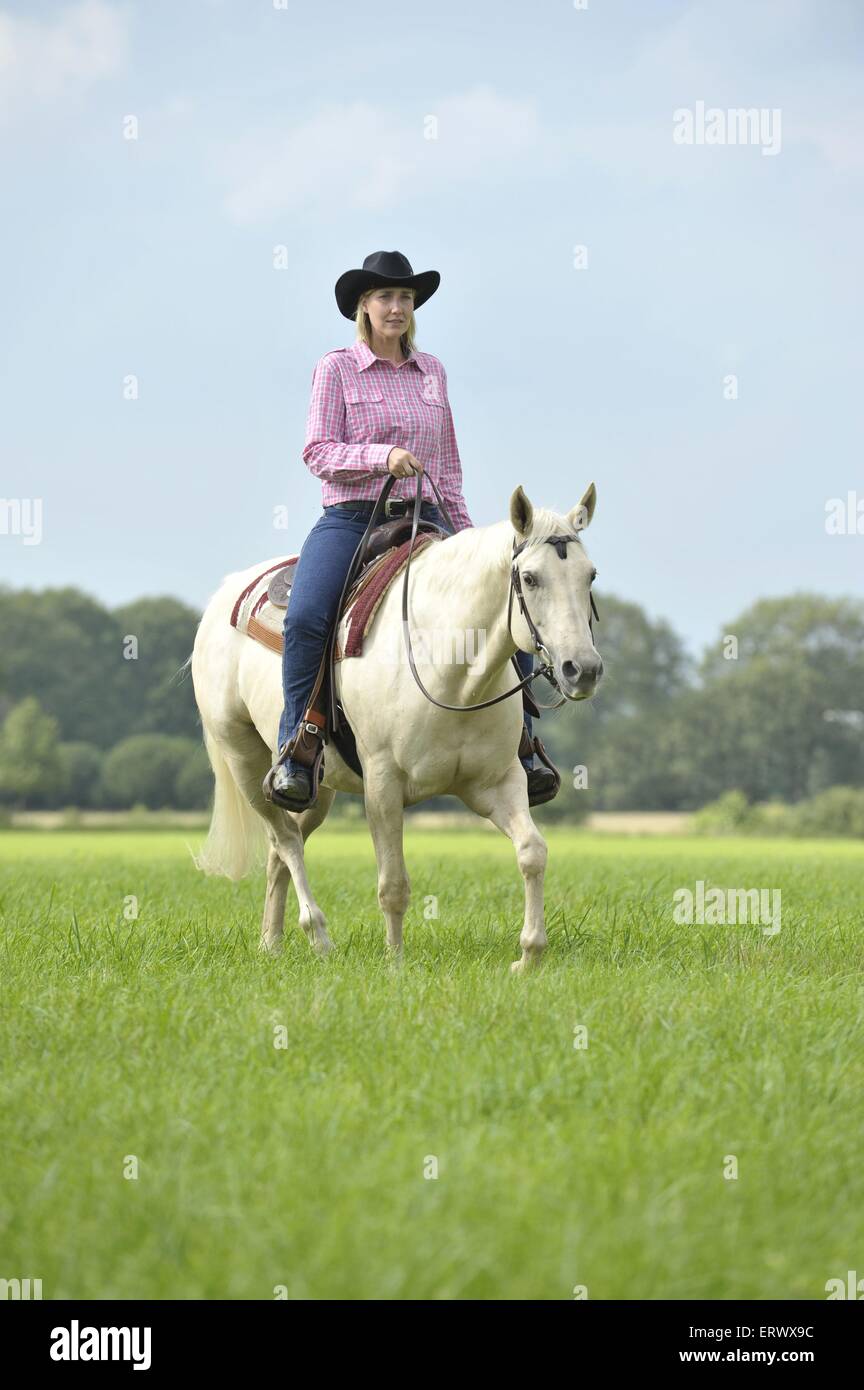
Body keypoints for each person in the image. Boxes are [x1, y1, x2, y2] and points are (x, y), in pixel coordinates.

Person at [263, 249, 559, 811]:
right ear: (364, 307)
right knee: (306, 616)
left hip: (428, 513)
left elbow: (447, 463)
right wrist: (385, 456)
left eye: (404, 297)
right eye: (384, 298)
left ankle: (522, 745)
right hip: (354, 516)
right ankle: (297, 744)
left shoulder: (433, 373)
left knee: (507, 596)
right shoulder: (336, 368)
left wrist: (471, 539)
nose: (396, 307)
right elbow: (318, 450)